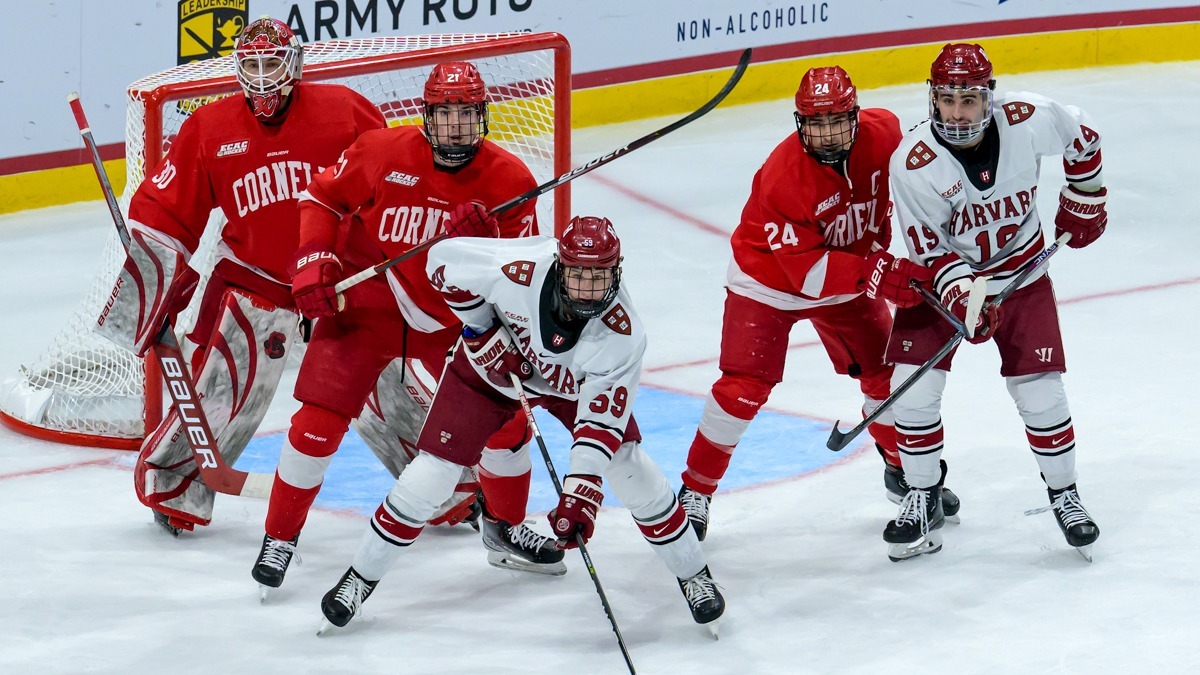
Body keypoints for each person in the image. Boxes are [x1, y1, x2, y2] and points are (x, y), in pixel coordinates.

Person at [315, 216, 726, 637]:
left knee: (628, 465)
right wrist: (482, 327)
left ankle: (693, 573)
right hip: (489, 371)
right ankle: (359, 579)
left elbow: (599, 426)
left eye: (599, 276)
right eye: (578, 274)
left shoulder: (623, 334)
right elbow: (441, 262)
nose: (587, 288)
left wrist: (580, 492)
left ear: (617, 272)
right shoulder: (521, 265)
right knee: (431, 474)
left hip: (571, 387)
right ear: (560, 265)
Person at [252, 60, 565, 599]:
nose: (455, 129)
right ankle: (279, 537)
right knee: (315, 426)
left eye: (467, 117)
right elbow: (321, 197)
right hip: (368, 302)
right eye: (445, 116)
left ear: (483, 118)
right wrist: (313, 260)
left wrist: (484, 246)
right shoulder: (381, 151)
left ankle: (505, 528)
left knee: (507, 425)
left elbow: (522, 280)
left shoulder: (510, 180)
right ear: (426, 116)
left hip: (451, 317)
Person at [93, 17, 386, 533]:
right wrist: (156, 278)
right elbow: (168, 209)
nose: (262, 77)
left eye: (271, 63)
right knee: (223, 385)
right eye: (250, 65)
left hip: (336, 279)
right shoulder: (209, 127)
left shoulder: (344, 111)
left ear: (294, 65)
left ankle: (449, 482)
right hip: (258, 279)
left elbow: (387, 186)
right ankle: (176, 485)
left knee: (384, 380)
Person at [676, 66, 959, 541]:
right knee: (742, 388)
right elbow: (806, 275)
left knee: (886, 377)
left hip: (849, 278)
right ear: (798, 123)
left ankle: (904, 473)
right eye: (814, 123)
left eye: (836, 121)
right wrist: (880, 273)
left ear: (856, 114)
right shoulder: (783, 176)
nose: (826, 135)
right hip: (767, 283)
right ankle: (696, 492)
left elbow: (923, 176)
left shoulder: (885, 132)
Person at [881, 43, 1104, 562]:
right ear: (932, 99)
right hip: (943, 290)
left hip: (1022, 276)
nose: (957, 112)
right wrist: (964, 299)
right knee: (911, 391)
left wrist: (1086, 193)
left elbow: (1083, 133)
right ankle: (922, 492)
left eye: (969, 100)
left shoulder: (1027, 120)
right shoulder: (913, 163)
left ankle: (1065, 495)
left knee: (1041, 392)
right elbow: (930, 250)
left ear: (989, 99)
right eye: (947, 99)